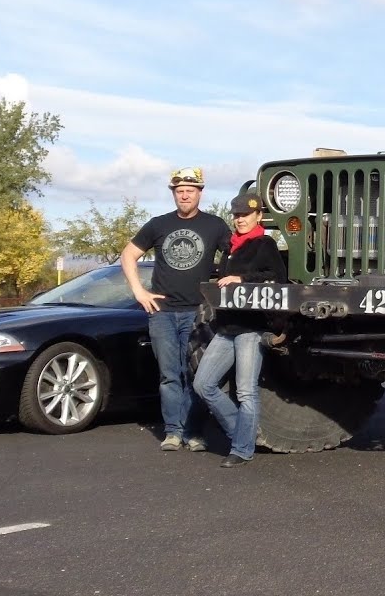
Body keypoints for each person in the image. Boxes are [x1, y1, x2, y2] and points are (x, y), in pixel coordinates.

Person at [121, 166, 231, 453]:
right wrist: (138, 291)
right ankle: (173, 432)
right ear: (173, 193)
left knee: (196, 376)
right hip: (162, 312)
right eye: (180, 191)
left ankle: (194, 432)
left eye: (190, 191)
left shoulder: (215, 226)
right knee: (169, 375)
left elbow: (236, 254)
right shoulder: (158, 225)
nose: (184, 195)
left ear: (199, 193)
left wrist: (232, 279)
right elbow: (128, 255)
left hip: (198, 312)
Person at [193, 191, 287, 468]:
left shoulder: (264, 243)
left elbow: (278, 278)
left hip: (251, 327)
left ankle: (242, 449)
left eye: (245, 215)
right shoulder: (231, 246)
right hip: (226, 327)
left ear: (259, 216)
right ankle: (241, 432)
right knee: (203, 384)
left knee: (246, 391)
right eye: (236, 215)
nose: (240, 220)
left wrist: (242, 278)